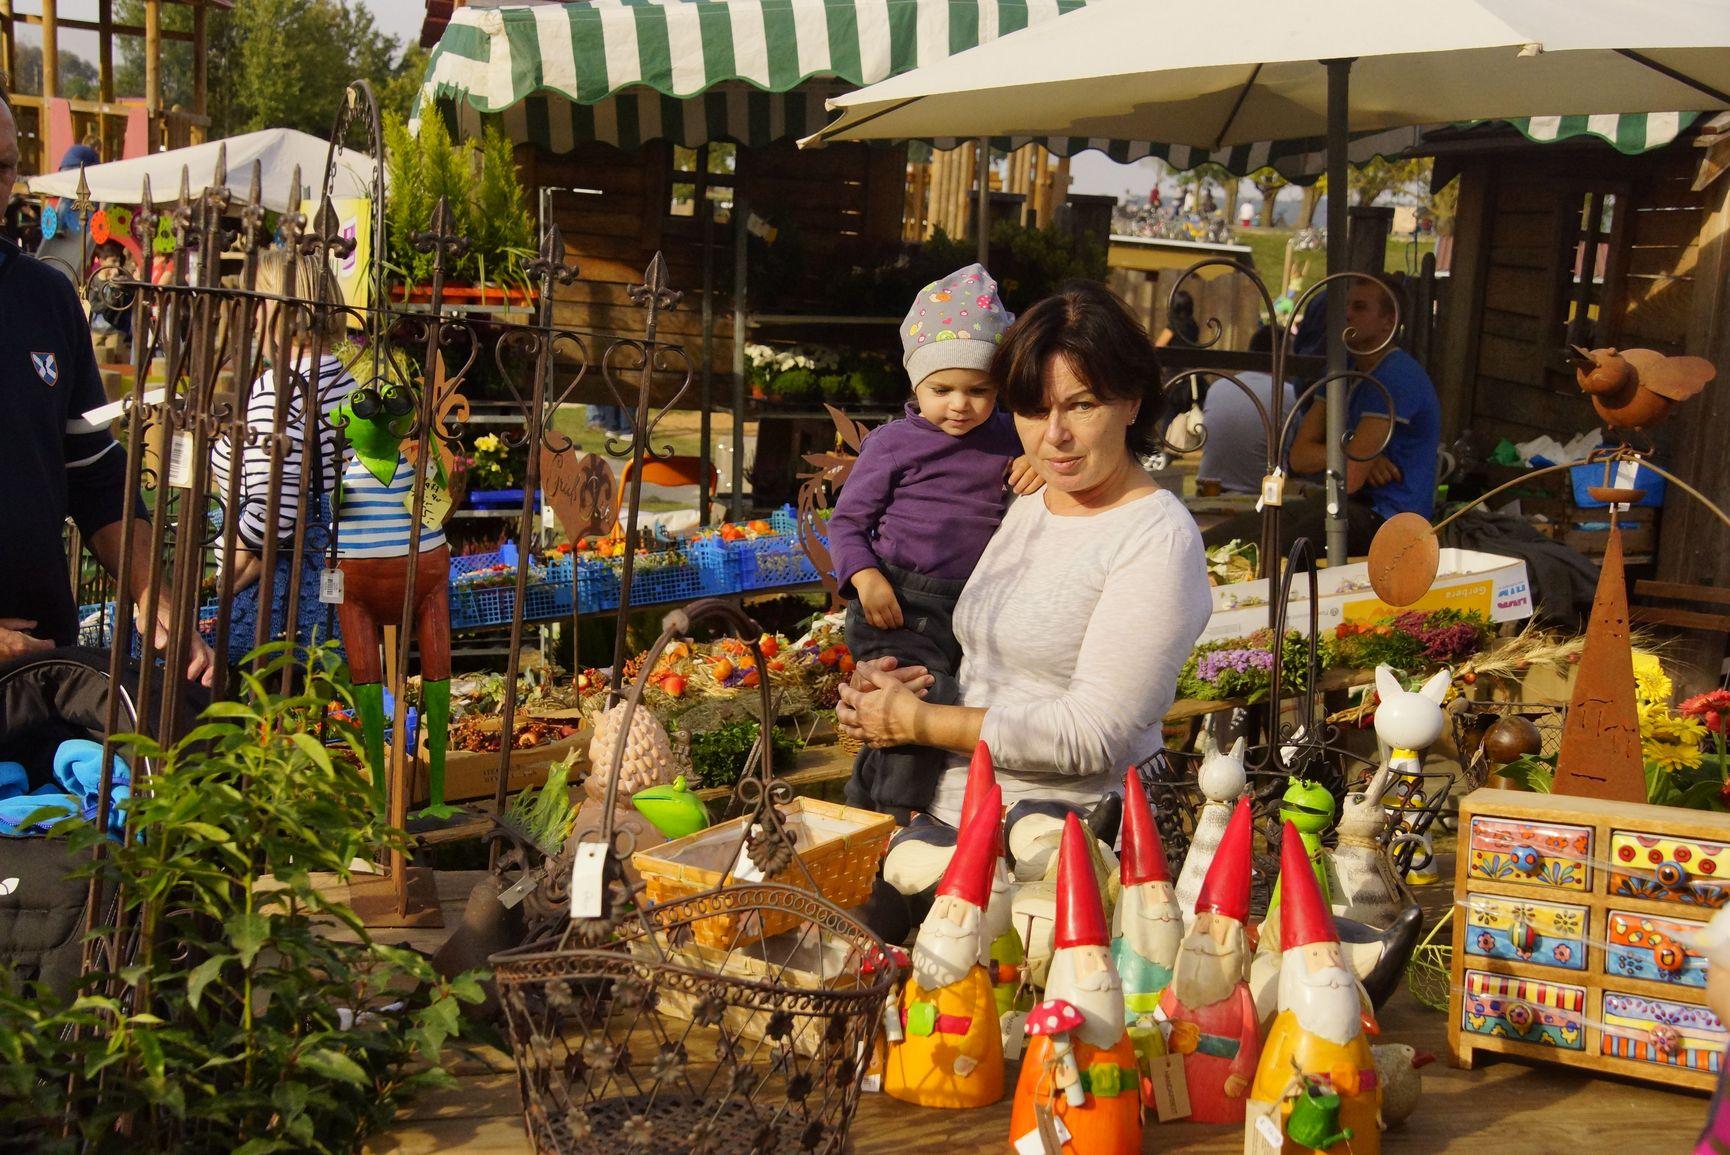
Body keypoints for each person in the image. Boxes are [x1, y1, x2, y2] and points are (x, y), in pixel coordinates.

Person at [835, 279, 1213, 823]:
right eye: (1034, 410)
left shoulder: (1155, 539)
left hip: (1059, 841)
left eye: (1080, 406)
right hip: (941, 814)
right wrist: (880, 694)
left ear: (1132, 402)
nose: (1053, 435)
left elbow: (1092, 736)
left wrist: (915, 722)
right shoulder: (1025, 496)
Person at [0, 94, 213, 685]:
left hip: (39, 667)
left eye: (5, 166)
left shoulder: (44, 300)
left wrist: (156, 595)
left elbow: (93, 473)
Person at [827, 263, 1038, 822]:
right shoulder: (894, 445)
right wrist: (865, 577)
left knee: (940, 700)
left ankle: (862, 808)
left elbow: (1045, 442)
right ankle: (904, 816)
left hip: (966, 603)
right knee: (919, 695)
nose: (960, 405)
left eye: (979, 390)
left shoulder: (1008, 435)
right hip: (897, 599)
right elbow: (846, 522)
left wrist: (1035, 460)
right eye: (942, 389)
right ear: (916, 383)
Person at [209, 250, 351, 667]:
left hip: (273, 595)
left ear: (285, 311)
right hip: (332, 583)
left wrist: (229, 572)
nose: (252, 318)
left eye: (260, 302)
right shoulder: (348, 380)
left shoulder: (279, 387)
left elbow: (275, 512)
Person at [1197, 325, 1298, 495]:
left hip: (1209, 490)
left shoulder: (1218, 386)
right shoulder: (1288, 393)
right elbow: (1298, 457)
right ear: (1285, 356)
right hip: (1263, 498)